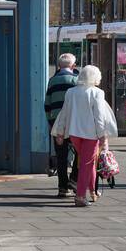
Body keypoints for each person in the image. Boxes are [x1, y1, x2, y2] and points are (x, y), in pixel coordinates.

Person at [51, 66, 118, 208]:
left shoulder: (71, 92)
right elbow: (99, 117)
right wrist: (102, 135)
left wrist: (60, 132)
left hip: (74, 133)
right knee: (86, 164)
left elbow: (64, 112)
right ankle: (80, 196)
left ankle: (92, 191)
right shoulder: (97, 93)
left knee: (87, 162)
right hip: (91, 134)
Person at [45, 53, 79, 198]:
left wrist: (50, 122)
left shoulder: (52, 81)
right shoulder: (76, 80)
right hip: (73, 123)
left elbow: (47, 104)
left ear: (59, 66)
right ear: (73, 66)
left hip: (57, 124)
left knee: (61, 156)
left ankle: (62, 188)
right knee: (80, 152)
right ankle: (74, 179)